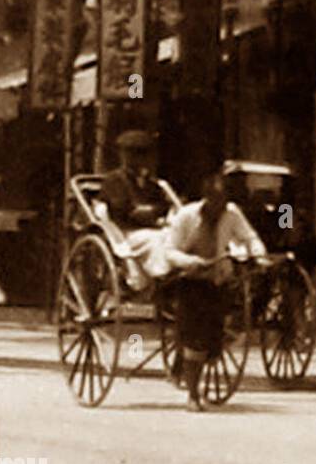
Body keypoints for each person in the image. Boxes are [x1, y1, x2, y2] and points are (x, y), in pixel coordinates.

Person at [148, 166, 266, 410]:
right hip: (188, 280)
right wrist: (192, 262)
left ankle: (187, 370)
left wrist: (258, 254)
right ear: (206, 199)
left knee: (213, 338)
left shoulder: (231, 213)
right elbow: (170, 251)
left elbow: (249, 237)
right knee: (195, 339)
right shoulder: (186, 217)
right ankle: (192, 395)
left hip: (217, 279)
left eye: (223, 202)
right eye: (215, 202)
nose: (219, 207)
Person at [99, 130, 172, 288]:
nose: (141, 159)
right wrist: (146, 212)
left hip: (150, 228)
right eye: (134, 154)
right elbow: (121, 209)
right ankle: (161, 274)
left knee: (172, 236)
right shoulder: (114, 180)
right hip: (125, 233)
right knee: (155, 239)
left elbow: (163, 206)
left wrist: (150, 211)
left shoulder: (151, 184)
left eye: (143, 154)